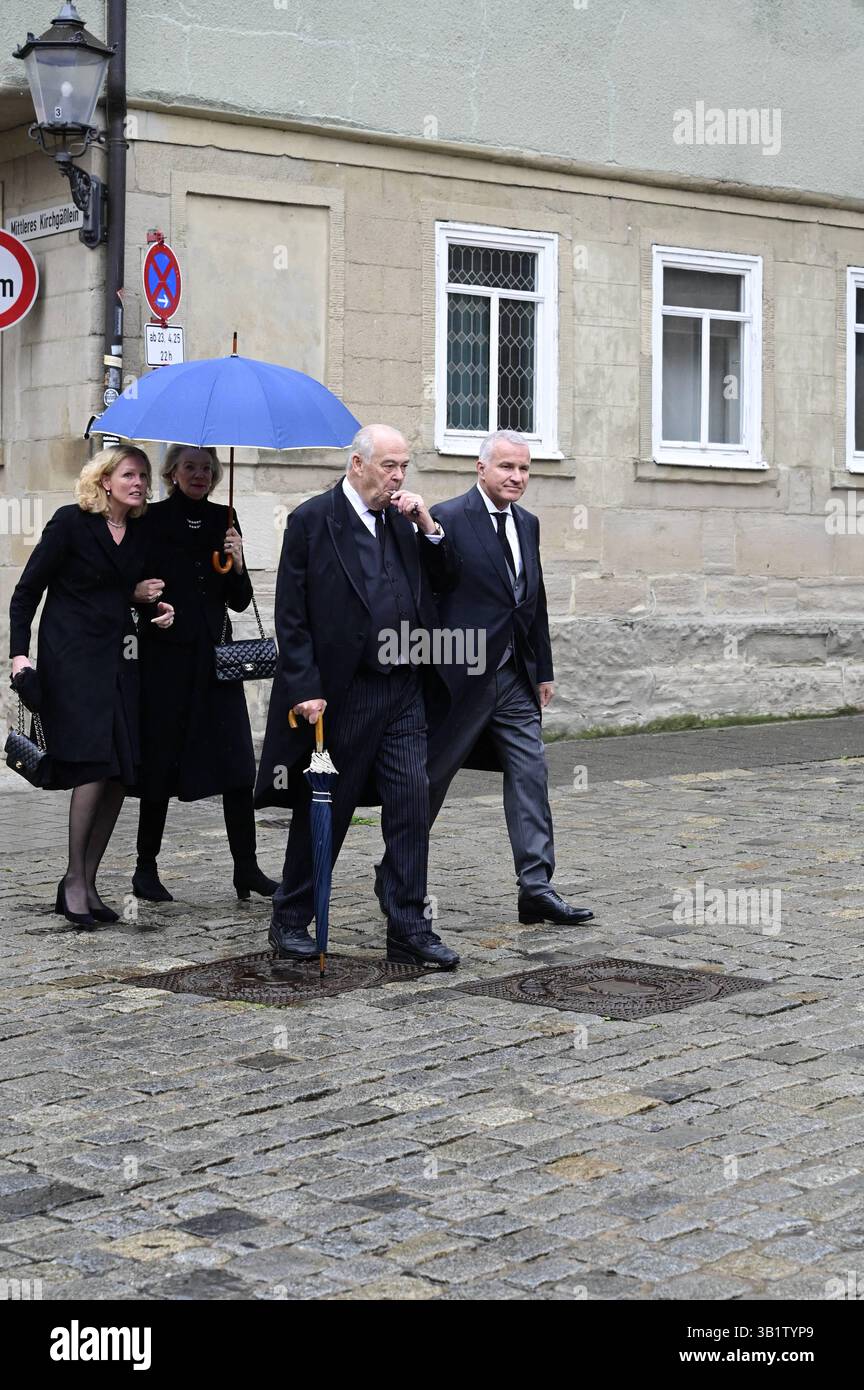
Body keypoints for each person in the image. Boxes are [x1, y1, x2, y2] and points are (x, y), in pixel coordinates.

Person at [255, 424, 461, 968]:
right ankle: (291, 916)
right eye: (388, 466)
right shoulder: (312, 520)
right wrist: (304, 687)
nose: (397, 477)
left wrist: (428, 524)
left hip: (405, 688)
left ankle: (409, 924)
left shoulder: (402, 520)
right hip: (345, 692)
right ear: (357, 465)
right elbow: (291, 615)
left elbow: (446, 579)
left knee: (410, 805)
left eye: (404, 467)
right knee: (329, 807)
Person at [426, 429, 594, 927]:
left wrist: (542, 668)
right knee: (431, 780)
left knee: (530, 775)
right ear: (481, 469)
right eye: (506, 467)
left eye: (523, 469)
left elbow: (531, 600)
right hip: (461, 677)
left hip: (516, 679)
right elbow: (430, 597)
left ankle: (536, 887)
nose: (516, 477)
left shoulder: (528, 523)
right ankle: (397, 871)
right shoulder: (447, 518)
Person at [9, 445, 174, 927]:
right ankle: (73, 880)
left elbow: (123, 592)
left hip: (122, 660)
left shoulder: (140, 531)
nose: (139, 482)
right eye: (129, 474)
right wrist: (20, 656)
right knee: (94, 767)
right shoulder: (70, 523)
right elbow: (27, 592)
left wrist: (154, 607)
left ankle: (87, 878)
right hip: (73, 660)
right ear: (105, 480)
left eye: (144, 475)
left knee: (122, 772)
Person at [132, 444, 277, 903]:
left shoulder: (224, 519)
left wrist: (236, 560)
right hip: (166, 661)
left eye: (206, 468)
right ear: (173, 473)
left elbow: (238, 599)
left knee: (236, 763)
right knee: (161, 762)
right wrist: (148, 603)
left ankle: (247, 867)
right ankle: (145, 867)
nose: (199, 474)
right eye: (190, 467)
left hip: (217, 660)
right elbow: (134, 588)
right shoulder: (149, 519)